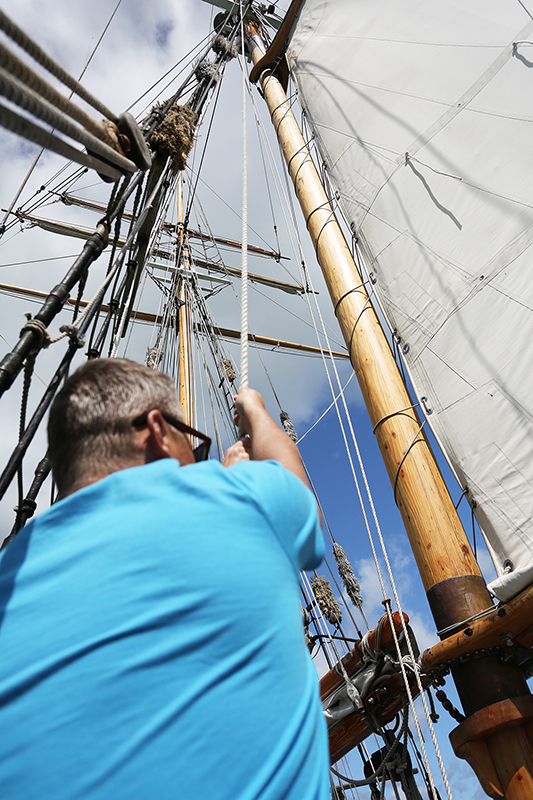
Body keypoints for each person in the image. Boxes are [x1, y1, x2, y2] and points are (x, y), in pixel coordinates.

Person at [0, 358, 330, 800]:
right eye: (191, 444)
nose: (195, 460)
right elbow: (298, 493)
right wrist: (256, 411)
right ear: (157, 430)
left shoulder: (9, 575)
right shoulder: (240, 502)